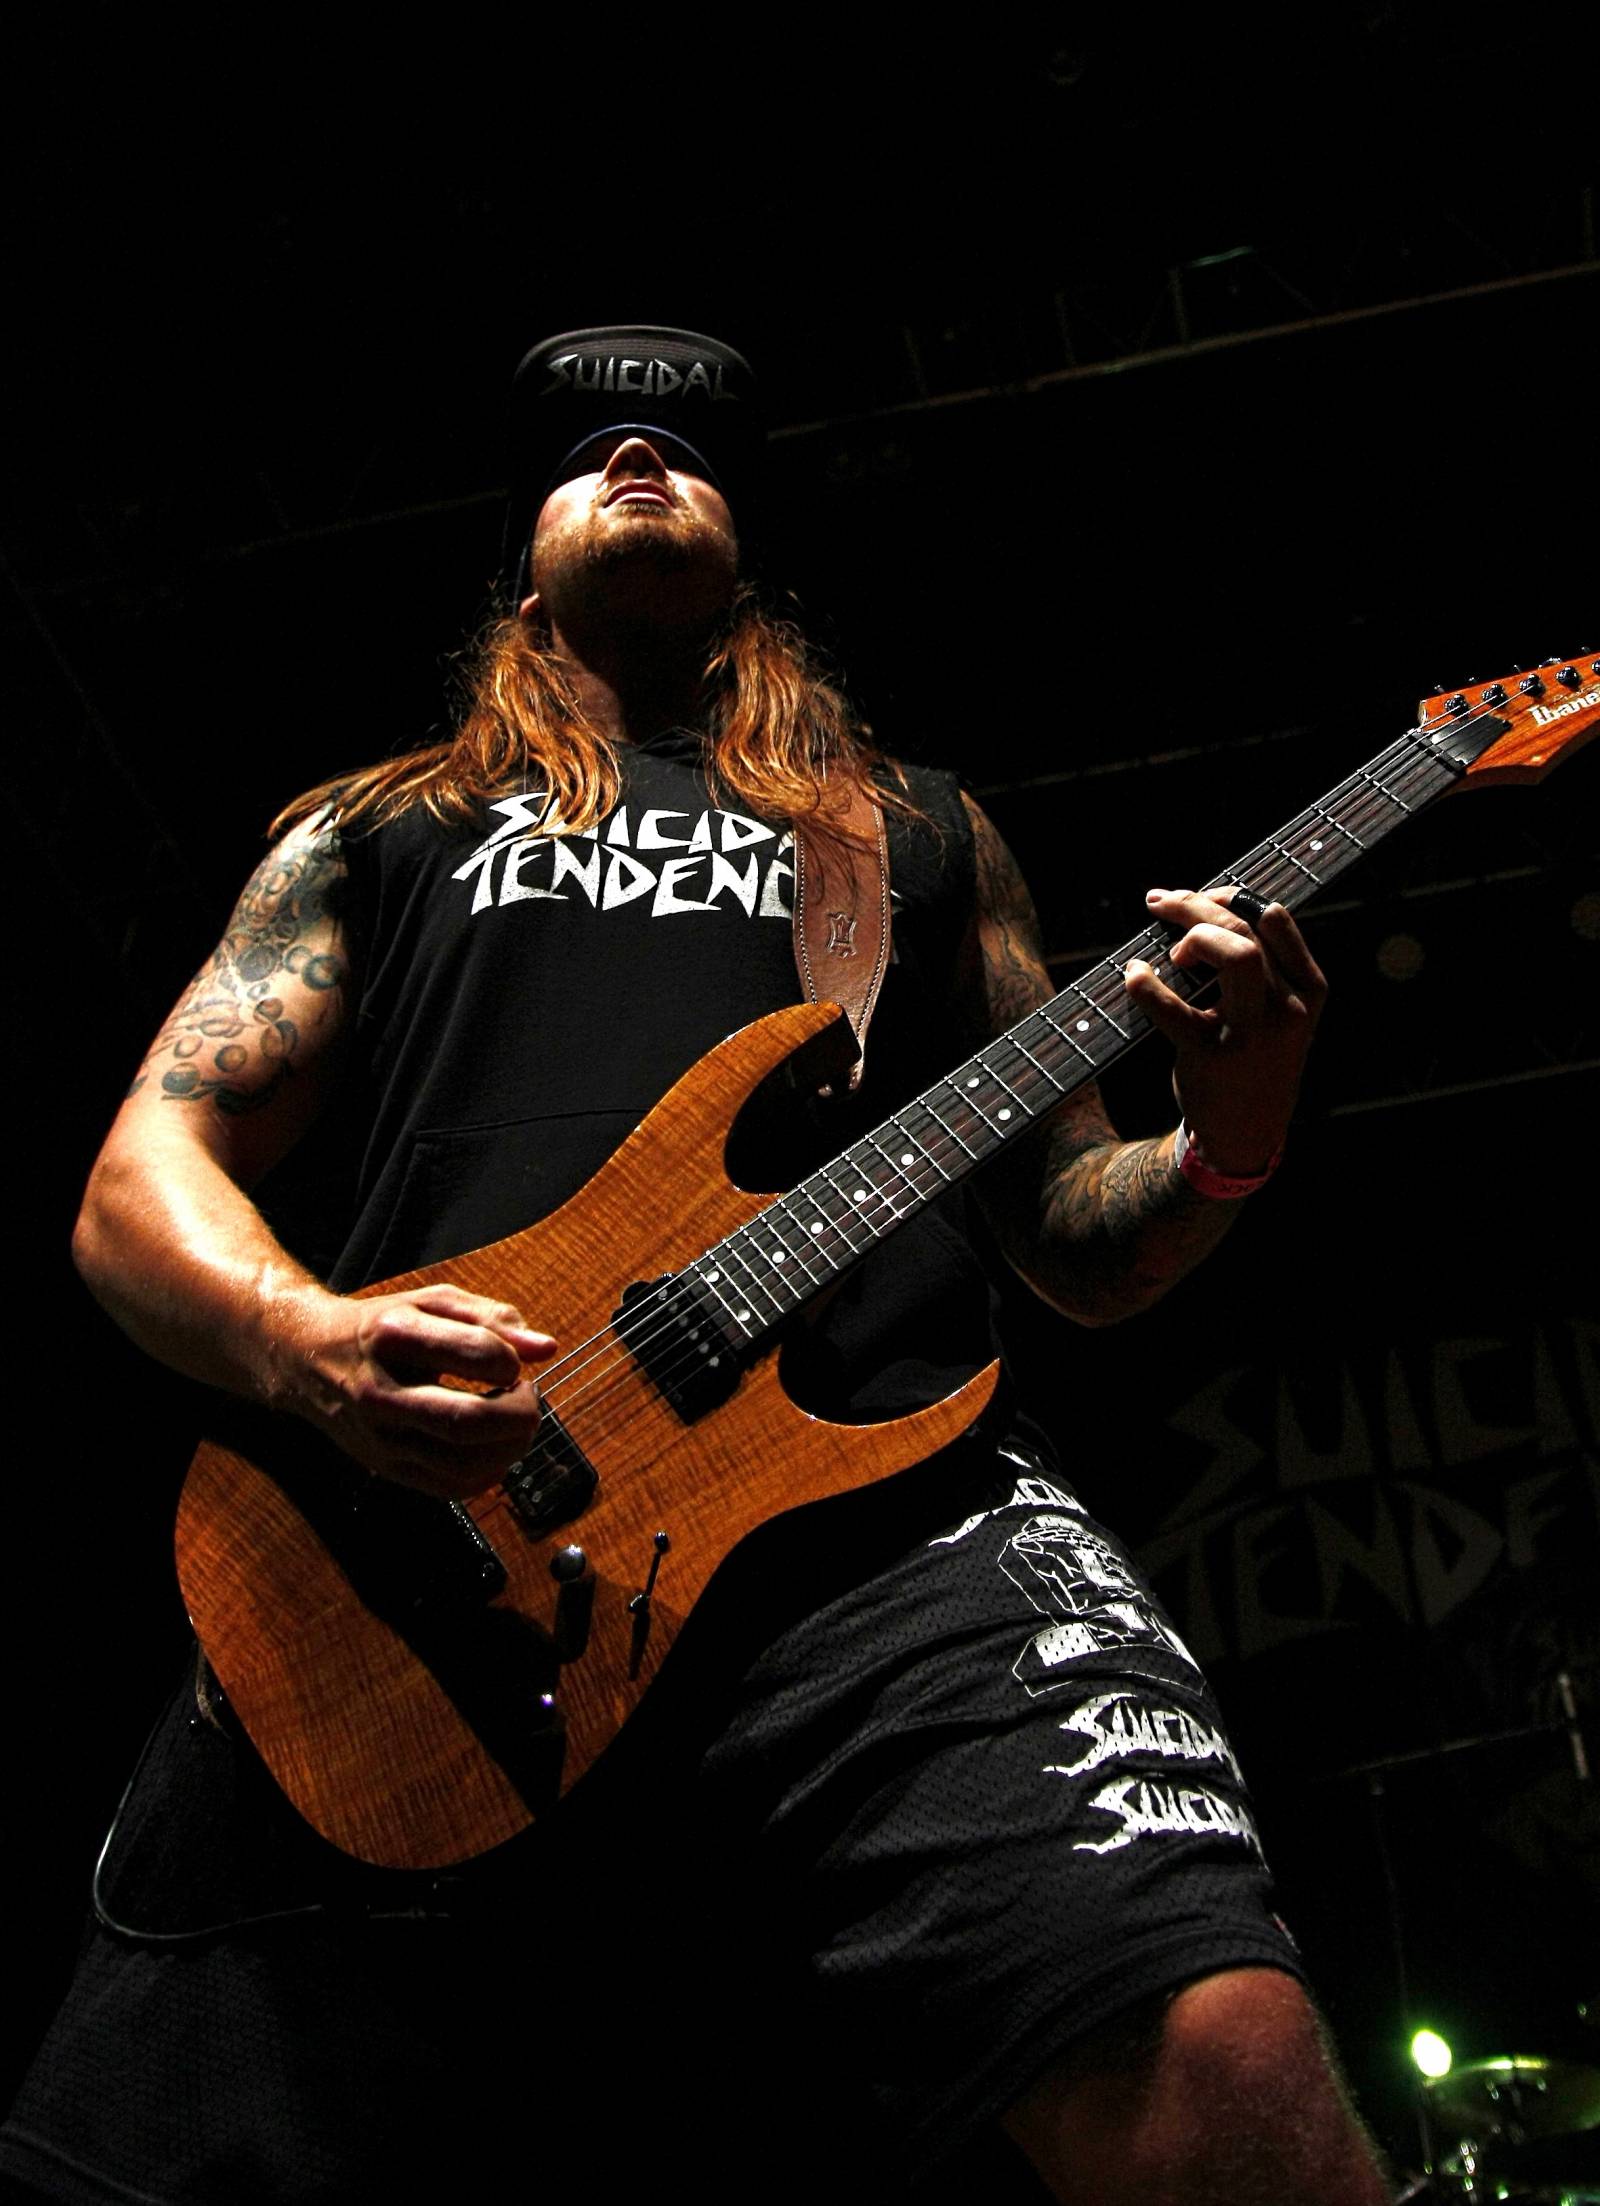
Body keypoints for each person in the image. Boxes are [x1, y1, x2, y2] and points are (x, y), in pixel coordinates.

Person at [1, 326, 1392, 2204]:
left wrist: (1231, 1128)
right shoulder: (382, 825)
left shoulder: (911, 832)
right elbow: (140, 1177)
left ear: (753, 571)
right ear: (523, 570)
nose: (639, 456)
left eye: (685, 446)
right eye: (591, 448)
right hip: (438, 1554)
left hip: (890, 1520)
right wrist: (301, 1338)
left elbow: (1080, 1238)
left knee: (1214, 2058)